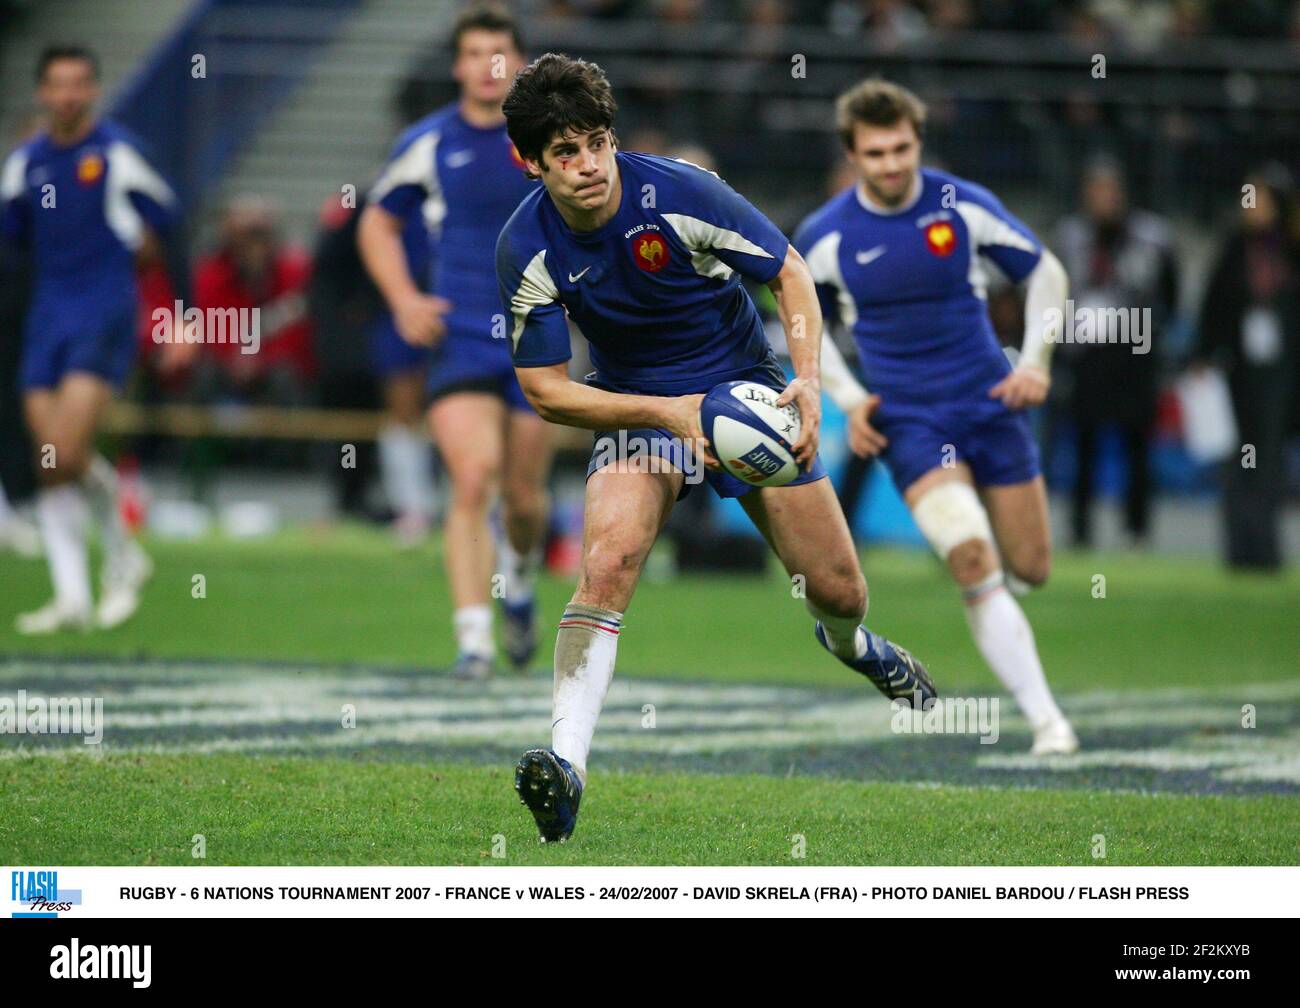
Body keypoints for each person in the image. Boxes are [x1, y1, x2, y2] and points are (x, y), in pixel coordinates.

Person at [496, 53, 933, 843]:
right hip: (640, 407)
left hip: (747, 399)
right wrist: (665, 412)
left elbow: (789, 273)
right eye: (565, 152)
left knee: (839, 590)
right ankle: (566, 766)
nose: (589, 164)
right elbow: (546, 391)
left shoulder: (682, 193)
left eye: (597, 142)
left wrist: (806, 380)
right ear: (530, 162)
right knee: (608, 560)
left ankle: (854, 645)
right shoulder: (525, 246)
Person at [796, 78, 1076, 755]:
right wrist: (850, 398)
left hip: (991, 402)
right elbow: (803, 326)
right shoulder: (825, 236)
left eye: (901, 149)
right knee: (971, 556)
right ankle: (1048, 722)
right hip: (911, 420)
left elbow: (1046, 272)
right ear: (852, 155)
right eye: (876, 153)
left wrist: (1036, 361)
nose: (891, 164)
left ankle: (1001, 601)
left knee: (1032, 567)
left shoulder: (962, 204)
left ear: (918, 142)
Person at [358, 4, 552, 679]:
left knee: (523, 498)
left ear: (520, 63)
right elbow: (377, 223)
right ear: (456, 66)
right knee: (472, 478)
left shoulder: (551, 137)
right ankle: (473, 641)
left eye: (498, 53)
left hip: (539, 335)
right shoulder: (429, 141)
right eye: (473, 54)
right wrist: (404, 299)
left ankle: (519, 582)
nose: (486, 66)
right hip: (461, 334)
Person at [1, 46, 180, 633]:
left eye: (80, 83)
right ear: (42, 92)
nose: (69, 95)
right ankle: (74, 596)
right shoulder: (26, 164)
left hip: (103, 313)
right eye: (58, 84)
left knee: (64, 448)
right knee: (52, 461)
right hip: (45, 318)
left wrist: (185, 317)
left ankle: (121, 559)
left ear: (94, 90)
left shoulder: (117, 153)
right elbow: (12, 240)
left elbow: (171, 225)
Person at [1054, 158, 1178, 548]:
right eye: (1096, 190)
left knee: (1137, 445)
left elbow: (1169, 296)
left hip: (1134, 353)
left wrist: (1150, 334)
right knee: (1084, 444)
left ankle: (1136, 531)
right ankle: (1080, 530)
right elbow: (1053, 291)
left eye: (1109, 191)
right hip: (1086, 353)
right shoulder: (1070, 236)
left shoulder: (1152, 237)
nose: (1103, 199)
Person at [1193, 166, 1298, 571]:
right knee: (1239, 459)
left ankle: (1266, 548)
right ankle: (1240, 548)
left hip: (1281, 374)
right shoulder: (1235, 249)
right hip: (1239, 371)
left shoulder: (1290, 250)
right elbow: (1214, 306)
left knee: (1268, 460)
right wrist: (1204, 356)